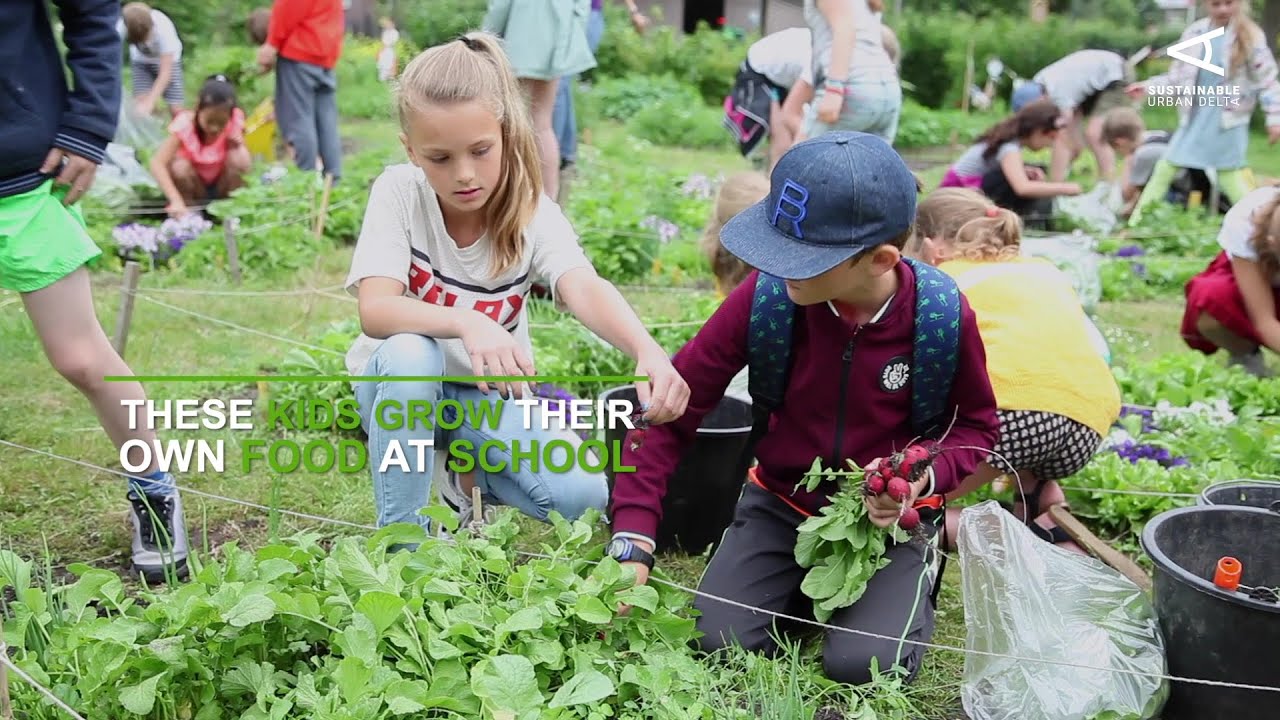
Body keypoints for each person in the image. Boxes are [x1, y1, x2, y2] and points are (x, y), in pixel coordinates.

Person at [607, 132, 1000, 684]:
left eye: (801, 257)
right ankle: (799, 597)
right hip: (780, 503)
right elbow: (668, 413)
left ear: (880, 259)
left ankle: (908, 573)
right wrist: (634, 534)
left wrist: (918, 477)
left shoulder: (939, 316)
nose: (775, 264)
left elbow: (977, 429)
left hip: (884, 522)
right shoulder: (768, 298)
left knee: (865, 666)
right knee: (713, 640)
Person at [345, 32, 689, 535]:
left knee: (583, 497)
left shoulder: (530, 210)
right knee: (412, 355)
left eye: (480, 151)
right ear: (412, 151)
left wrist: (647, 350)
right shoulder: (399, 192)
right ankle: (405, 547)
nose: (465, 174)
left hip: (480, 399)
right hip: (396, 389)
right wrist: (467, 323)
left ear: (504, 132)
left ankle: (460, 481)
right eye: (440, 158)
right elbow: (375, 309)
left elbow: (582, 285)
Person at [1, 0, 188, 582]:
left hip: (23, 177)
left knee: (82, 359)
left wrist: (88, 124)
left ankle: (154, 492)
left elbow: (91, 12)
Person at [909, 188, 1121, 552]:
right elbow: (1099, 348)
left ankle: (1021, 542)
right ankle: (1049, 514)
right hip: (1090, 418)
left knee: (905, 504)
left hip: (1015, 415)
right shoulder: (1039, 270)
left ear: (931, 249)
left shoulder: (942, 283)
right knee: (1031, 453)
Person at [1125, 0, 1280, 226]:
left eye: (1229, 3)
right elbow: (1177, 79)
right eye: (1216, 4)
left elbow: (1267, 81)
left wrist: (1275, 118)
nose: (1223, 9)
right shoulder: (1195, 32)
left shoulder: (1250, 36)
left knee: (1230, 176)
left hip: (1227, 120)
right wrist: (1149, 88)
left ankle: (1260, 228)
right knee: (1165, 168)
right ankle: (1136, 225)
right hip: (1195, 117)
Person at [484, 0, 597, 203]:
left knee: (507, 119)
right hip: (556, 38)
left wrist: (484, 38)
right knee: (542, 123)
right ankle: (547, 200)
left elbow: (500, 6)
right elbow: (582, 7)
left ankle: (508, 194)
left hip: (522, 36)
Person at [1181, 184, 1280, 378]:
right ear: (1272, 242)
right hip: (1256, 281)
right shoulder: (1245, 222)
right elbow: (1264, 320)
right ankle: (1247, 358)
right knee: (1211, 297)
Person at [940, 99, 1082, 228]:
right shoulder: (1009, 147)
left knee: (1032, 173)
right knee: (1019, 184)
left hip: (960, 189)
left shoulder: (1009, 141)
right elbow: (1022, 188)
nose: (1049, 144)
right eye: (1050, 137)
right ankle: (1007, 223)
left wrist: (1023, 170)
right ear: (1038, 130)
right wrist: (1065, 188)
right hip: (956, 195)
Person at [553, 0, 648, 177]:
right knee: (560, 85)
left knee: (558, 84)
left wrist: (633, 11)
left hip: (585, 16)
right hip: (578, 15)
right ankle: (564, 152)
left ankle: (555, 152)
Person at [1012, 49, 1135, 184]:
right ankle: (1057, 182)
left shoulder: (1058, 91)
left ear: (1041, 100)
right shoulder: (1040, 84)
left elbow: (1063, 133)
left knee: (1094, 133)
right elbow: (1071, 141)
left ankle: (1109, 186)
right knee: (1068, 137)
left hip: (1115, 74)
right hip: (1094, 83)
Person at [257, 0, 345, 180]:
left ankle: (306, 183)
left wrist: (272, 44)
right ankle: (333, 182)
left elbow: (288, 5)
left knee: (298, 121)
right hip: (326, 53)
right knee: (326, 122)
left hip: (299, 50)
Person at [802, 0, 902, 144]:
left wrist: (834, 89)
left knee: (799, 162)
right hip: (888, 87)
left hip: (853, 86)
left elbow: (845, 28)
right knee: (873, 165)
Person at [149, 76, 250, 219]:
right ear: (198, 110)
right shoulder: (185, 124)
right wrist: (175, 200)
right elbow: (157, 163)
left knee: (239, 156)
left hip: (222, 184)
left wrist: (238, 145)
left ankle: (232, 209)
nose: (214, 128)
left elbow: (245, 165)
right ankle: (189, 213)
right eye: (209, 121)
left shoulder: (235, 120)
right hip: (195, 188)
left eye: (221, 123)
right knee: (179, 166)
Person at [722, 27, 812, 168]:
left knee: (794, 137)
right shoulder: (819, 62)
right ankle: (771, 177)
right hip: (760, 71)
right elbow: (791, 113)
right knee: (782, 143)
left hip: (786, 77)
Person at [119, 2, 185, 119]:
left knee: (175, 108)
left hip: (169, 61)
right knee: (140, 104)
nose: (144, 43)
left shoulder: (163, 27)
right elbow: (110, 55)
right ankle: (158, 120)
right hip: (141, 62)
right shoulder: (122, 26)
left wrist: (151, 101)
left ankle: (184, 133)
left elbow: (165, 73)